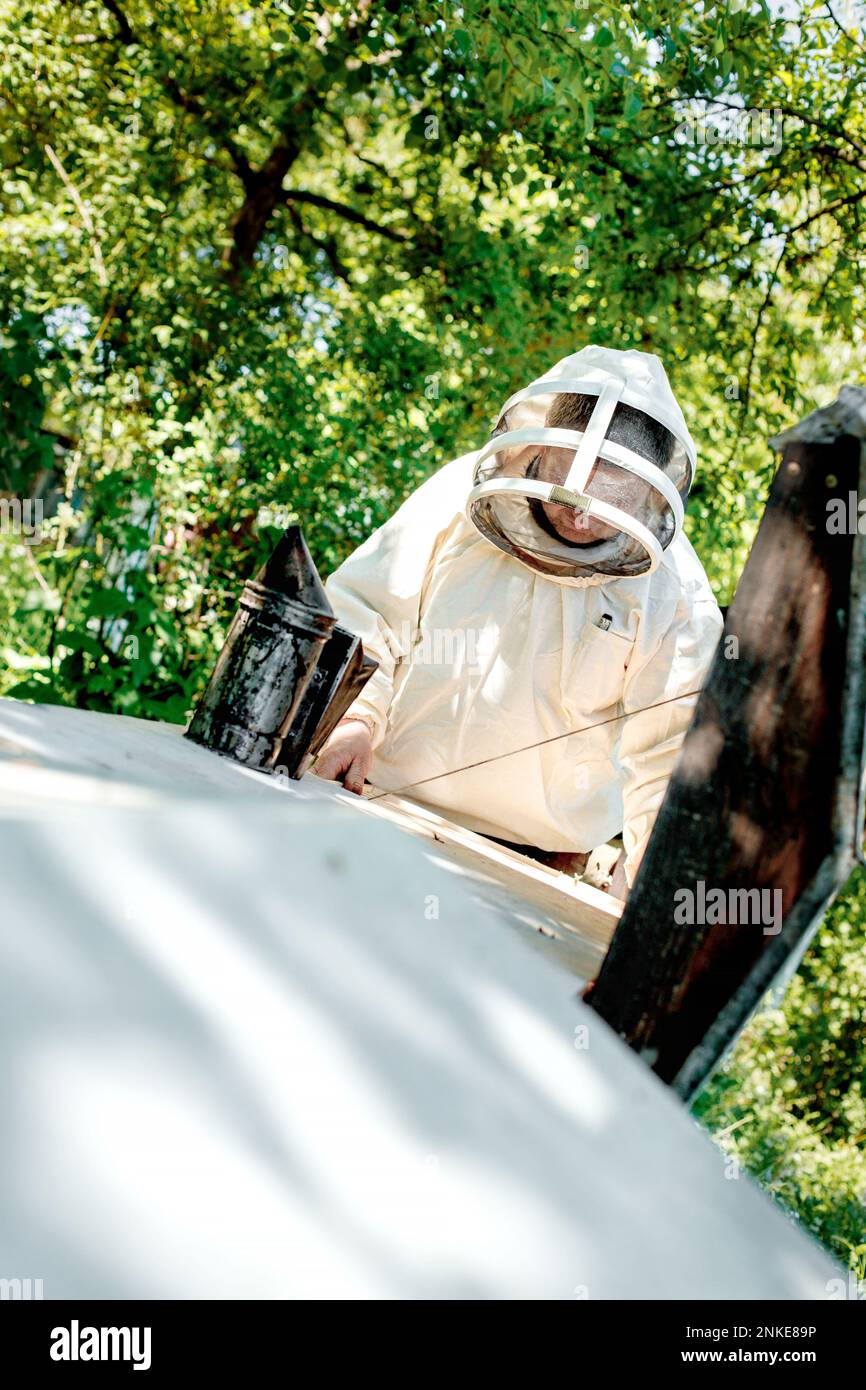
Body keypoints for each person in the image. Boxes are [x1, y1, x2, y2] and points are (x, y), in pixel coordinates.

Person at [315, 345, 723, 899]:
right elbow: (368, 610)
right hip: (377, 799)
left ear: (646, 491)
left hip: (537, 871)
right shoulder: (458, 494)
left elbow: (674, 748)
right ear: (545, 449)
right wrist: (354, 718)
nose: (580, 518)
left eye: (606, 503)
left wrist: (653, 872)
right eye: (570, 493)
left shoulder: (676, 594)